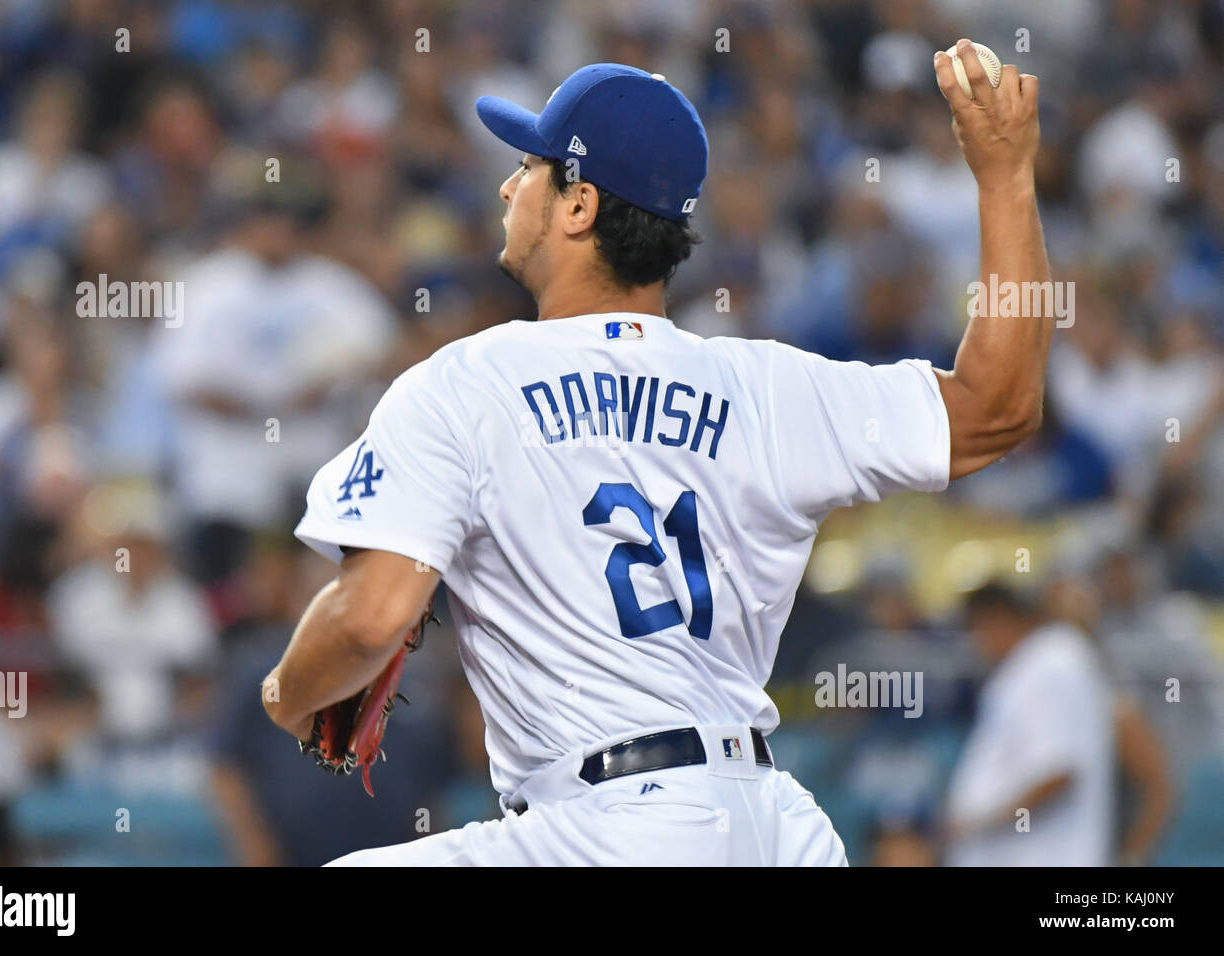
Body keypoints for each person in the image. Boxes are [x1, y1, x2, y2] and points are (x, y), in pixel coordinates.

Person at [264, 47, 1049, 865]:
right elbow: (999, 407)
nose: (507, 186)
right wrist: (1006, 179)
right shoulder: (763, 384)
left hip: (608, 826)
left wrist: (285, 693)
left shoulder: (467, 382)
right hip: (773, 827)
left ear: (578, 206)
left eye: (529, 166)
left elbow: (369, 618)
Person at [944, 584, 1116, 866]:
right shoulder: (1028, 666)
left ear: (997, 618)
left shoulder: (1050, 662)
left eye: (976, 628)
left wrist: (977, 822)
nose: (975, 643)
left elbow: (1058, 771)